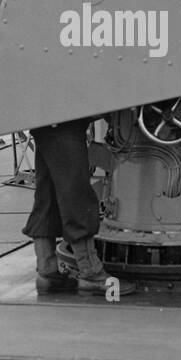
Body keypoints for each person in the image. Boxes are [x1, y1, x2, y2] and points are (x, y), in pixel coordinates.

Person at [24, 118, 135, 299]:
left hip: (46, 119)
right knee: (76, 194)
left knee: (48, 195)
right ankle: (91, 272)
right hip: (64, 119)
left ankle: (47, 270)